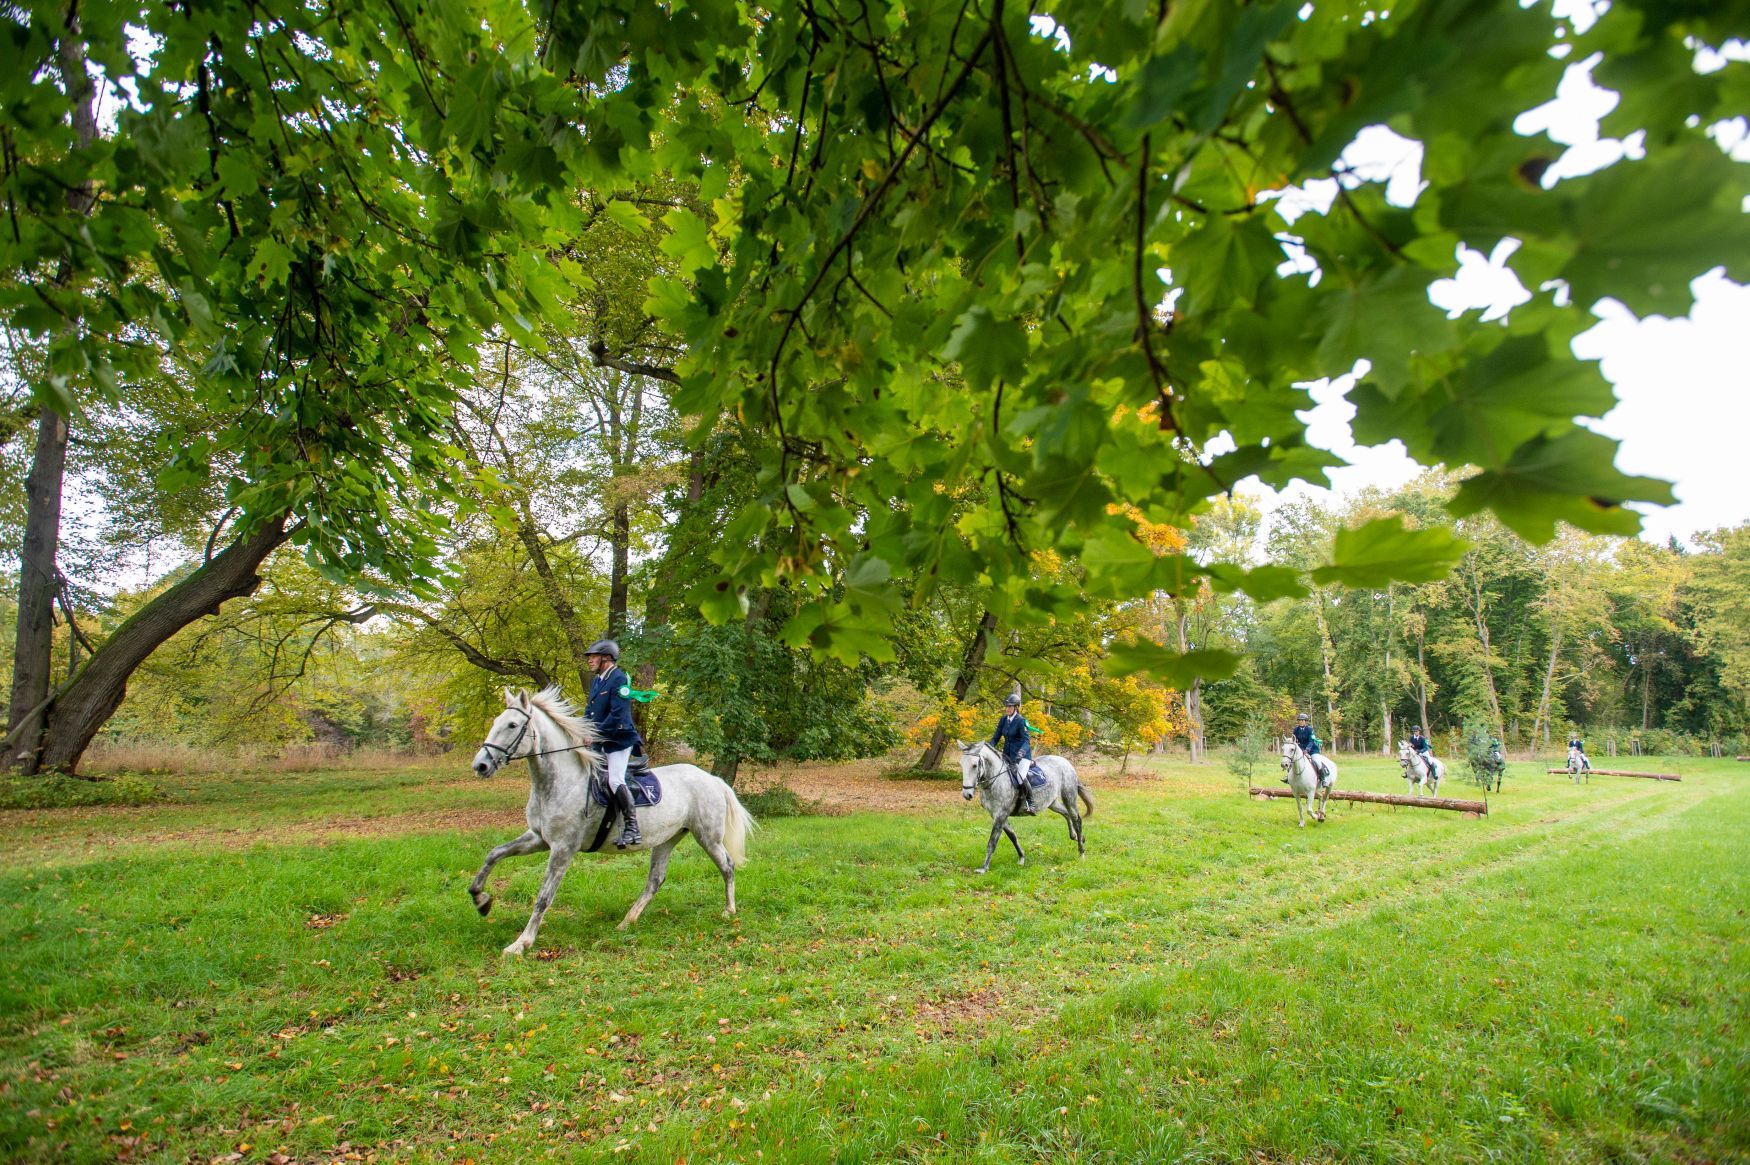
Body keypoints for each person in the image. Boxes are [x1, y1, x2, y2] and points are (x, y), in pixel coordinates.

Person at [583, 638, 645, 848]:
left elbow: (618, 714)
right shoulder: (597, 681)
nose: (589, 660)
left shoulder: (619, 679)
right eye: (589, 657)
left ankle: (632, 827)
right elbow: (590, 711)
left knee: (615, 780)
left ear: (606, 658)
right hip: (602, 740)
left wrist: (595, 733)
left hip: (619, 740)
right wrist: (582, 730)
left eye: (593, 657)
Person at [988, 693, 1035, 811]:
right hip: (1007, 755)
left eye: (1010, 706)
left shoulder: (1021, 721)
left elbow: (1026, 740)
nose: (1007, 709)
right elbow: (996, 737)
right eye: (1006, 706)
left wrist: (1020, 753)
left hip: (1022, 755)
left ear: (1016, 707)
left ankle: (1031, 803)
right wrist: (988, 748)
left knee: (1019, 777)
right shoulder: (1003, 720)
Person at [1290, 713, 1332, 784]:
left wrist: (1307, 750)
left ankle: (1323, 779)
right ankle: (1288, 778)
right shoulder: (1295, 730)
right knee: (1291, 762)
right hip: (1301, 750)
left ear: (1305, 721)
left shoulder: (1310, 729)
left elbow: (1311, 741)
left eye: (1302, 720)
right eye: (1300, 720)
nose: (1301, 721)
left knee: (1318, 762)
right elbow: (1294, 741)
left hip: (1312, 750)